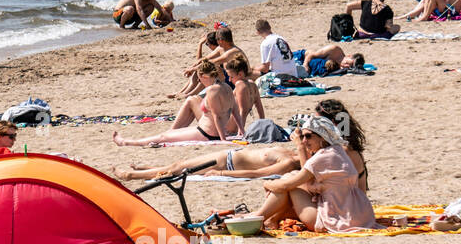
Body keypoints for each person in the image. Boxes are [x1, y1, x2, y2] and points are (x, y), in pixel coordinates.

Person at [252, 116, 377, 232]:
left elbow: (287, 185)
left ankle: (258, 217)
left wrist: (267, 183)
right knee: (293, 177)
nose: (304, 140)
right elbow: (305, 175)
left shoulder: (323, 157)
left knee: (289, 180)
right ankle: (269, 219)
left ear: (322, 136)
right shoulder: (337, 151)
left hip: (334, 220)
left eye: (308, 136)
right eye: (302, 137)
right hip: (358, 216)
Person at [114, 61, 243, 145]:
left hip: (207, 133)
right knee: (168, 134)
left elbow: (217, 116)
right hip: (207, 131)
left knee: (163, 137)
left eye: (198, 78)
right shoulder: (226, 86)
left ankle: (126, 142)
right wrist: (242, 131)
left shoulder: (212, 90)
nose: (199, 81)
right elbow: (235, 110)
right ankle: (130, 141)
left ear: (204, 76)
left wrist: (222, 140)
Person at [114, 142, 298, 184]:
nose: (304, 140)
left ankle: (131, 175)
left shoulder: (288, 162)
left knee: (177, 169)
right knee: (180, 165)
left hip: (225, 164)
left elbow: (257, 174)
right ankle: (150, 169)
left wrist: (221, 174)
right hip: (228, 157)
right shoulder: (292, 152)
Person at [300, 44, 365, 75]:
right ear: (349, 56)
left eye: (350, 67)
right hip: (302, 56)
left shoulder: (341, 68)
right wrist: (305, 65)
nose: (347, 66)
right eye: (348, 63)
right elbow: (311, 55)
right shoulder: (334, 50)